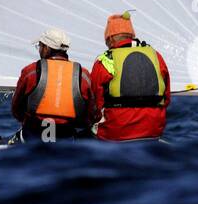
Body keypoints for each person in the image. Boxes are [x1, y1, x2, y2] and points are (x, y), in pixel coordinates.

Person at [88, 12, 171, 141]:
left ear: (111, 38)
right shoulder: (156, 56)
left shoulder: (104, 60)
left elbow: (95, 106)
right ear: (132, 36)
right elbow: (166, 99)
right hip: (153, 130)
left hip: (116, 132)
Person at [11, 27, 92, 142]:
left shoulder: (31, 71)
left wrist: (24, 119)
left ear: (46, 48)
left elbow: (16, 107)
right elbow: (91, 112)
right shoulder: (83, 75)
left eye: (40, 46)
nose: (39, 50)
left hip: (33, 135)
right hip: (67, 135)